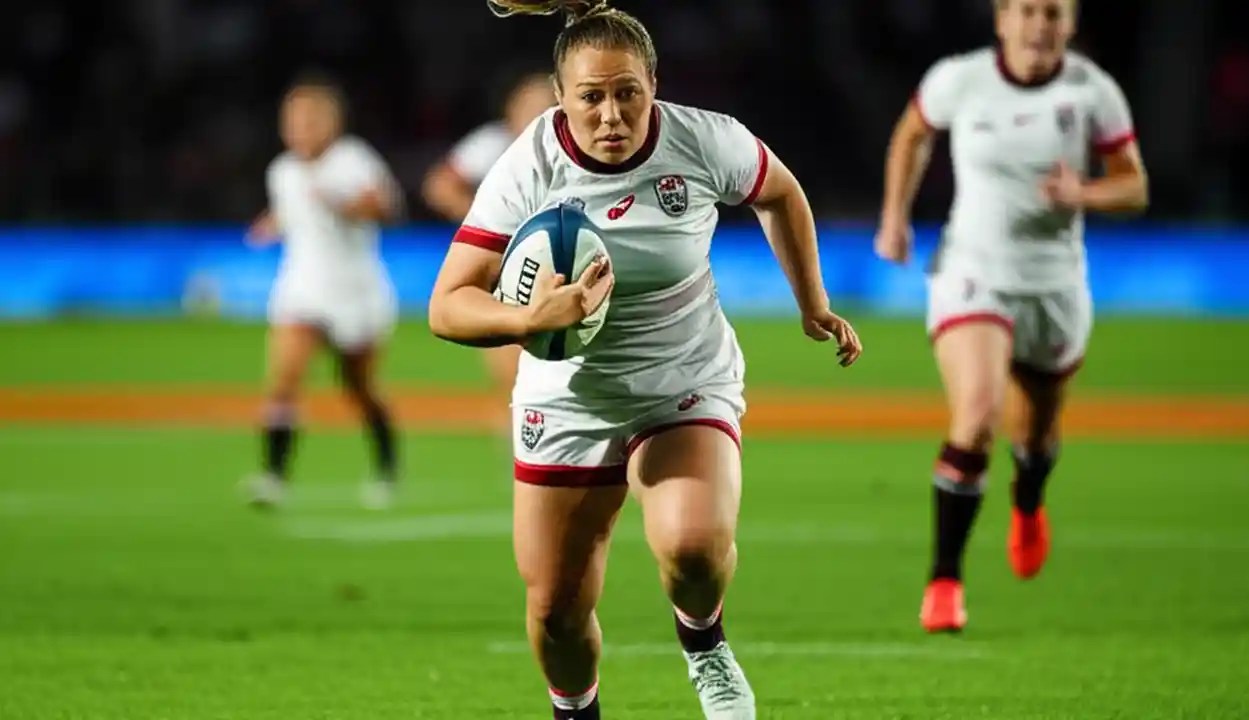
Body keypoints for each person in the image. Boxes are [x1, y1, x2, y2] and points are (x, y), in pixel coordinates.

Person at [428, 2, 862, 717]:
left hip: (683, 377)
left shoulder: (702, 141)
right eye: (590, 97)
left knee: (693, 548)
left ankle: (705, 645)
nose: (610, 113)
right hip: (568, 395)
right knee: (556, 610)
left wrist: (811, 303)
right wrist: (527, 319)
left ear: (653, 83)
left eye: (626, 91)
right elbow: (448, 303)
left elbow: (781, 193)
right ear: (560, 97)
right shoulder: (528, 164)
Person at [874, 0, 1149, 633]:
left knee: (1036, 438)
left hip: (1054, 283)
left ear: (1071, 24)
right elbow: (913, 132)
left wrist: (1084, 193)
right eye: (1026, 11)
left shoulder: (1093, 93)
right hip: (973, 270)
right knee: (976, 417)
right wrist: (895, 215)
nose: (1038, 25)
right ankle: (945, 580)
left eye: (1052, 13)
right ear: (1002, 20)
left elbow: (1134, 185)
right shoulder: (960, 80)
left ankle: (1028, 498)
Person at [243, 76, 406, 511]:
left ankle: (387, 467)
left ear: (332, 123)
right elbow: (290, 212)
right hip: (302, 289)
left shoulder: (353, 160)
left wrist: (344, 204)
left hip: (356, 294)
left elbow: (386, 208)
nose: (301, 129)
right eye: (293, 121)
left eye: (311, 119)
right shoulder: (282, 170)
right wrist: (268, 226)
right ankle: (273, 477)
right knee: (283, 380)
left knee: (359, 387)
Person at [422, 71, 558, 400]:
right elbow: (439, 185)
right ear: (511, 110)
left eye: (547, 106)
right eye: (530, 106)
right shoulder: (491, 144)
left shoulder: (574, 147)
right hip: (503, 276)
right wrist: (488, 226)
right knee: (518, 386)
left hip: (563, 269)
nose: (537, 115)